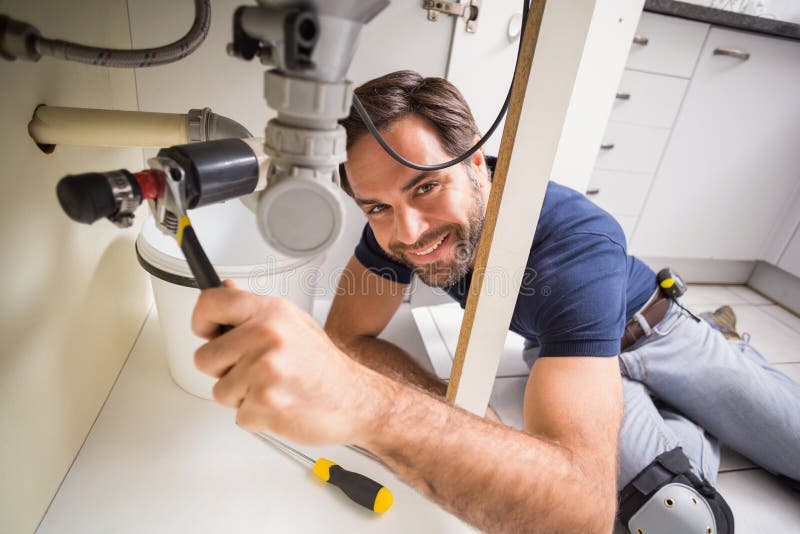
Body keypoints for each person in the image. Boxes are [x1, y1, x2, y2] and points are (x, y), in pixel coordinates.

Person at [192, 71, 800, 533]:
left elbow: (575, 505)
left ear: (477, 163)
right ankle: (702, 413)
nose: (407, 231)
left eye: (426, 186)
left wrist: (380, 409)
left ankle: (722, 347)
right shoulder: (394, 226)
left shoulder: (574, 238)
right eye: (376, 206)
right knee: (678, 518)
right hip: (565, 354)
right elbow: (348, 338)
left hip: (659, 333)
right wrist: (450, 410)